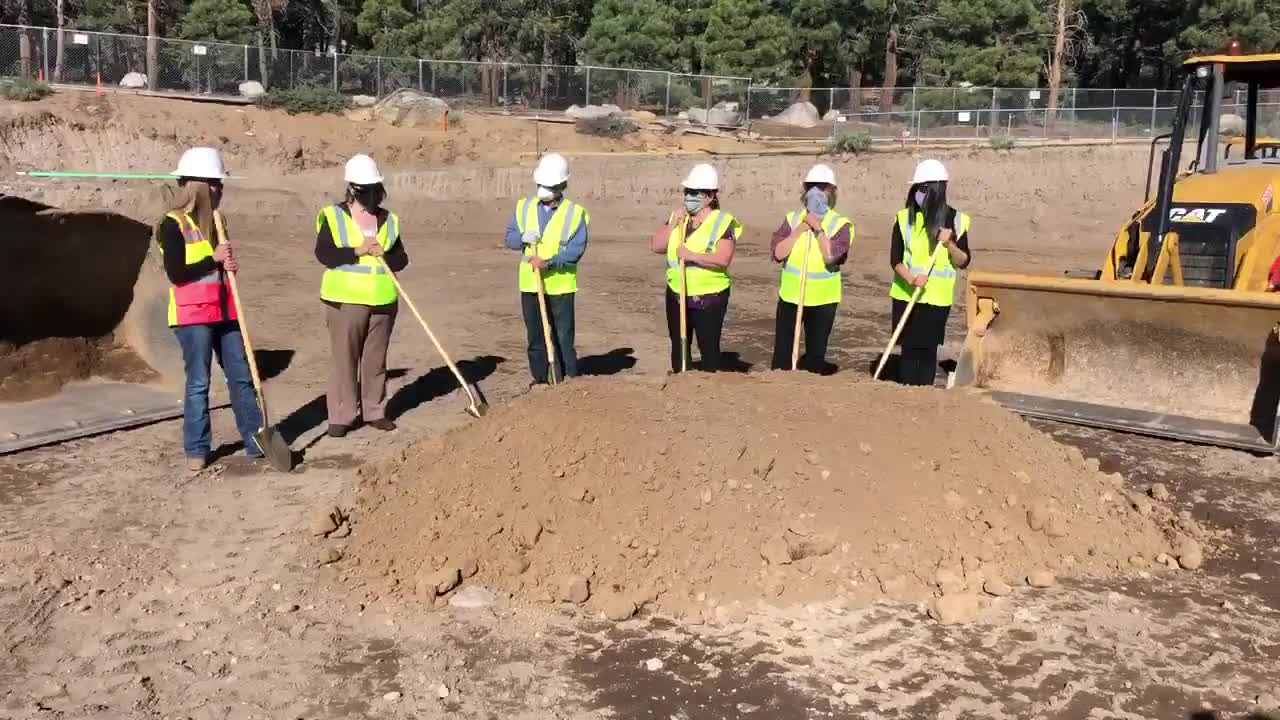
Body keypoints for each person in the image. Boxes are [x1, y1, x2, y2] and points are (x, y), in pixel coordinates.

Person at [157, 147, 263, 471]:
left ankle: (256, 439)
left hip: (225, 310)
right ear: (202, 186)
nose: (221, 190)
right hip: (192, 316)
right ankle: (197, 448)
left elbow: (218, 264)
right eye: (217, 183)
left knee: (241, 376)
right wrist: (213, 259)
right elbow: (176, 273)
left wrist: (228, 264)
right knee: (199, 382)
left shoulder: (218, 222)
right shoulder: (172, 224)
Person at [315, 154, 409, 437]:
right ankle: (342, 415)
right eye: (365, 189)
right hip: (345, 300)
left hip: (383, 300)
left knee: (375, 359)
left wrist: (387, 255)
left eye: (375, 188)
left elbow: (402, 259)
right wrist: (357, 251)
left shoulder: (389, 220)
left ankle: (375, 410)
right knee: (345, 359)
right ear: (353, 188)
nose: (372, 195)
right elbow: (324, 254)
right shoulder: (333, 215)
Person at [503, 152, 589, 385]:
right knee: (536, 338)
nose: (543, 189)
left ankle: (568, 381)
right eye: (541, 184)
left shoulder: (575, 213)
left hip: (560, 286)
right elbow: (509, 238)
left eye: (549, 185)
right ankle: (541, 380)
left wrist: (549, 262)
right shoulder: (523, 207)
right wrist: (522, 238)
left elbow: (575, 251)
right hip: (531, 285)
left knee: (562, 337)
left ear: (562, 185)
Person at [649, 163, 742, 373]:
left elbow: (723, 258)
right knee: (679, 345)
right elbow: (656, 246)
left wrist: (691, 256)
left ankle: (708, 388)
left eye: (694, 193)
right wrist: (673, 224)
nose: (689, 196)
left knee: (708, 348)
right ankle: (681, 383)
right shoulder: (677, 218)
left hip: (709, 297)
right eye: (687, 192)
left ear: (710, 196)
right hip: (677, 293)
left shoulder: (722, 222)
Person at [887, 159, 972, 386]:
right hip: (906, 295)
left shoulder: (956, 220)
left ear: (937, 189)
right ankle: (905, 392)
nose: (919, 193)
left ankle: (923, 395)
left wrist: (950, 243)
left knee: (926, 352)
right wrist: (911, 278)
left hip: (936, 300)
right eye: (917, 188)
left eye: (924, 189)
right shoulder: (904, 218)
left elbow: (964, 261)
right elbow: (895, 259)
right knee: (908, 349)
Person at [770, 164, 854, 374]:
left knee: (815, 356)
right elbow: (778, 253)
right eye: (811, 187)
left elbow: (831, 256)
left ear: (831, 192)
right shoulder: (791, 219)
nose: (816, 192)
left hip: (823, 300)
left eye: (822, 187)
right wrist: (799, 230)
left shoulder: (841, 224)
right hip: (791, 297)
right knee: (782, 356)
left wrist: (818, 229)